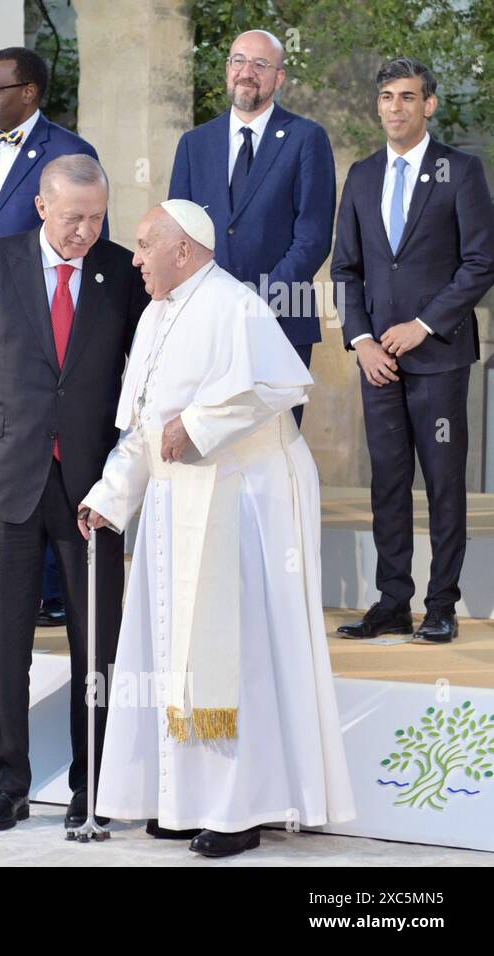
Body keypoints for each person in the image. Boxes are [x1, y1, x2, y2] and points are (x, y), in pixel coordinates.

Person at [80, 199, 355, 858]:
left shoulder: (235, 305)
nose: (136, 259)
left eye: (145, 246)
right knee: (170, 658)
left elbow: (276, 387)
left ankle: (238, 810)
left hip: (242, 503)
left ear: (185, 248)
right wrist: (109, 496)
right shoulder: (154, 315)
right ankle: (181, 801)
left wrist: (197, 425)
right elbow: (144, 427)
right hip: (178, 506)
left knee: (232, 660)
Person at [0, 155, 148, 832]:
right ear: (41, 208)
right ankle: (9, 787)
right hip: (5, 485)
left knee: (99, 647)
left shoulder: (120, 272)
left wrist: (127, 476)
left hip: (93, 491)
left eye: (96, 217)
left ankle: (93, 787)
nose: (86, 231)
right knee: (6, 646)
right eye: (72, 218)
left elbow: (143, 376)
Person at [331, 58, 494, 645]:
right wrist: (363, 340)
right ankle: (392, 602)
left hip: (440, 359)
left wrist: (423, 325)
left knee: (444, 483)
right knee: (388, 484)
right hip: (379, 365)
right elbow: (346, 269)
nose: (394, 107)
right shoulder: (364, 174)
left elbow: (481, 262)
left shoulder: (463, 171)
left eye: (407, 97)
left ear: (428, 105)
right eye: (386, 97)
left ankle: (441, 605)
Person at [0, 45, 105, 626]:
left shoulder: (69, 152)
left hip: (44, 331)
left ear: (30, 93)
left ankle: (52, 589)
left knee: (42, 449)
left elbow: (86, 246)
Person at [168, 30, 335, 427]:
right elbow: (178, 234)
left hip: (278, 323)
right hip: (206, 324)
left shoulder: (306, 138)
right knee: (209, 451)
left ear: (279, 78)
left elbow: (312, 238)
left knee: (272, 453)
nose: (247, 72)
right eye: (238, 61)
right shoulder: (194, 143)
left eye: (261, 65)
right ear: (227, 70)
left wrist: (258, 303)